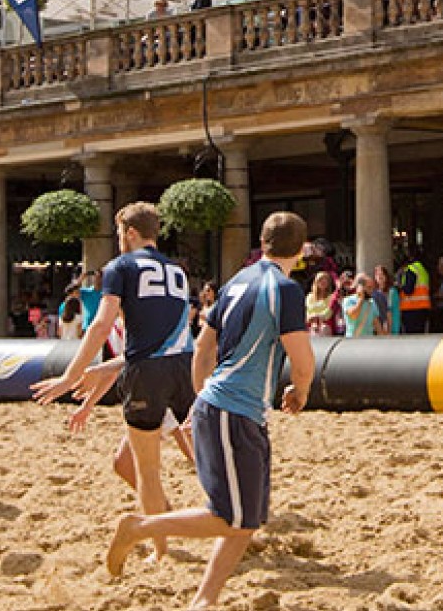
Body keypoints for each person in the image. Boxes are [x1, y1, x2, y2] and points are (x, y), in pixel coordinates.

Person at [104, 212, 316, 608]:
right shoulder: (284, 289)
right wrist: (300, 390)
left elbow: (204, 348)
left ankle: (204, 599)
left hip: (226, 406)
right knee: (228, 517)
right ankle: (139, 527)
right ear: (301, 250)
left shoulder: (238, 280)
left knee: (245, 519)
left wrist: (202, 395)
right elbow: (302, 359)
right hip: (234, 410)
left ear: (262, 242)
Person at [33, 203, 197, 554]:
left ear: (131, 233)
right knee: (199, 454)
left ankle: (161, 548)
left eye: (119, 233)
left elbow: (102, 324)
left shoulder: (120, 267)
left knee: (148, 469)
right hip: (186, 366)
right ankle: (233, 521)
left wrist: (69, 376)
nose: (118, 240)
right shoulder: (178, 271)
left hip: (146, 372)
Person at [397, 253, 432, 334]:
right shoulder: (423, 270)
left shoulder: (411, 269)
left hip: (411, 308)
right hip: (423, 307)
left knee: (412, 337)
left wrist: (400, 286)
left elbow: (408, 290)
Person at [370, 264, 400, 334]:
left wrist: (394, 330)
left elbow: (395, 312)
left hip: (391, 328)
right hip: (376, 328)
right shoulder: (372, 292)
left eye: (382, 274)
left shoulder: (392, 292)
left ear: (386, 276)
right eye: (377, 275)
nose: (380, 277)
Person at [306, 272, 338, 336]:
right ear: (316, 282)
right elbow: (307, 311)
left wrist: (318, 317)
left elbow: (329, 313)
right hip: (311, 326)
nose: (323, 281)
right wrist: (312, 318)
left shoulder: (331, 297)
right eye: (321, 279)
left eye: (326, 280)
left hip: (325, 327)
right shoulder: (310, 296)